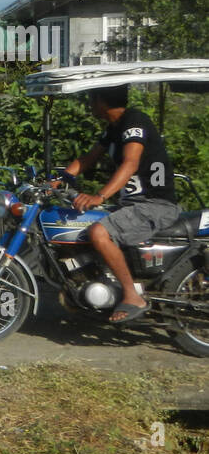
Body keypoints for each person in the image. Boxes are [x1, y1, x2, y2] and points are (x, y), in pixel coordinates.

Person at [59, 84, 181, 324]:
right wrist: (59, 180)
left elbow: (130, 163)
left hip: (154, 204)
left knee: (99, 232)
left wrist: (100, 196)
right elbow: (89, 158)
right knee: (82, 225)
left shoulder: (134, 122)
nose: (89, 104)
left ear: (101, 101)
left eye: (92, 98)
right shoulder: (114, 128)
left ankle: (132, 295)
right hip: (132, 204)